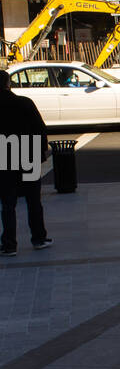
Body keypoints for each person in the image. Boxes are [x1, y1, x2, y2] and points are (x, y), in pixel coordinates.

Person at [0, 68, 52, 256]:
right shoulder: (24, 103)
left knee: (7, 203)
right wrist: (41, 152)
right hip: (27, 154)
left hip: (4, 156)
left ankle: (9, 244)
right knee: (33, 200)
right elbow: (40, 128)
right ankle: (38, 238)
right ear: (8, 84)